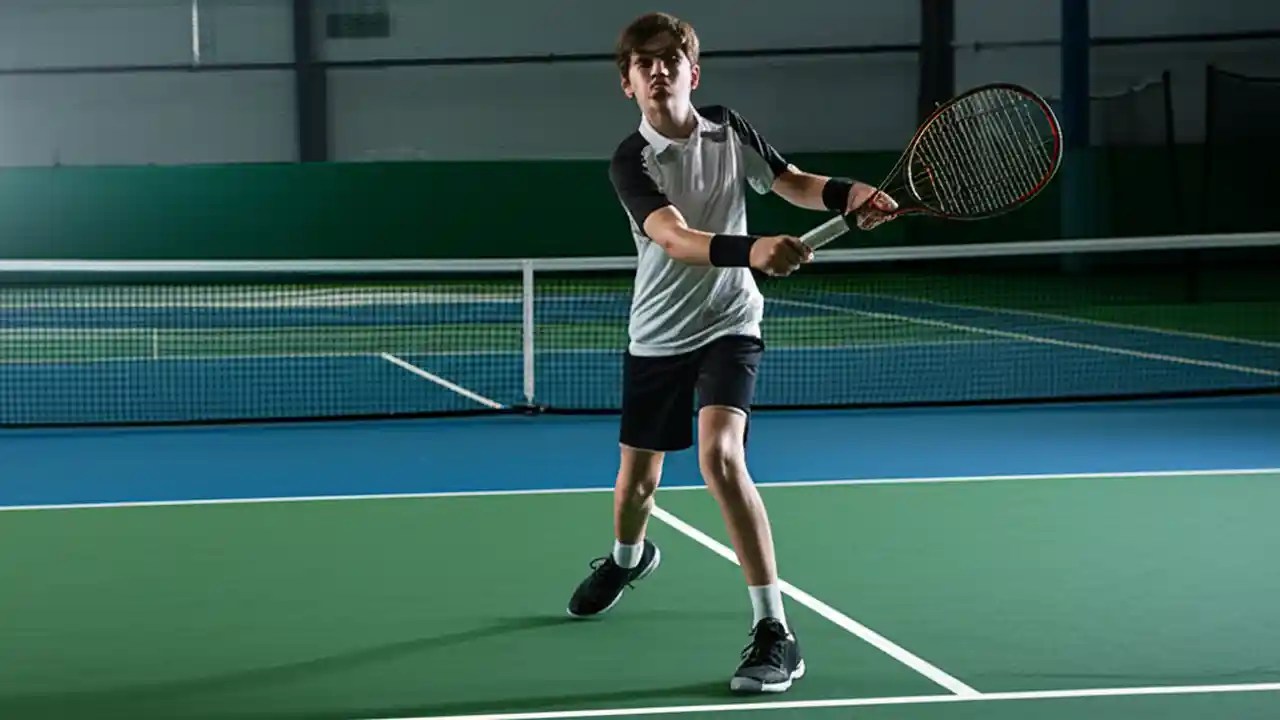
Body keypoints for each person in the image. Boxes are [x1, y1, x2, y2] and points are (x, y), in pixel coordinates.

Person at [565, 11, 895, 694]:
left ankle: (775, 629)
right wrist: (753, 250)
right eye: (642, 63)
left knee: (721, 454)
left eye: (669, 59)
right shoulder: (633, 159)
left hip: (730, 320)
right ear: (627, 84)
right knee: (638, 487)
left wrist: (848, 194)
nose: (658, 71)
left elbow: (789, 180)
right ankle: (628, 558)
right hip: (658, 332)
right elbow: (676, 236)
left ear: (693, 70)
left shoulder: (729, 129)